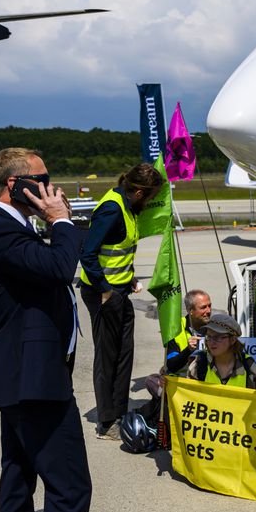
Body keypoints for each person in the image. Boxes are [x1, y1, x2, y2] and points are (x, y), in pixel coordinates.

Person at [0, 147, 91, 512]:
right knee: (70, 489)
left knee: (19, 480)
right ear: (13, 184)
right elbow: (59, 268)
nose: (48, 186)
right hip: (33, 378)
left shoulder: (8, 224)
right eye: (40, 179)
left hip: (24, 372)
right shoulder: (0, 230)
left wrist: (49, 223)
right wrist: (60, 221)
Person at [79, 163, 165, 440]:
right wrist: (105, 290)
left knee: (124, 354)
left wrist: (128, 279)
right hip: (103, 294)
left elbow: (115, 252)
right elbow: (88, 253)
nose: (151, 202)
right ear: (139, 192)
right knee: (107, 358)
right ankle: (106, 422)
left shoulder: (128, 207)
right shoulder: (112, 208)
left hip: (119, 291)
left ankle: (119, 410)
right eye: (150, 197)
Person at [143, 289, 213, 399]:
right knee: (152, 380)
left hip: (208, 385)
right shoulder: (176, 329)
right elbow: (171, 365)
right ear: (190, 310)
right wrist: (188, 350)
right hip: (182, 384)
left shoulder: (216, 328)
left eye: (209, 306)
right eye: (203, 307)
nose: (208, 311)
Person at [166, 312, 256, 389]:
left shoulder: (249, 367)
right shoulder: (198, 365)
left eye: (218, 337)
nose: (211, 342)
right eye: (209, 337)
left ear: (232, 340)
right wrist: (169, 385)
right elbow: (189, 398)